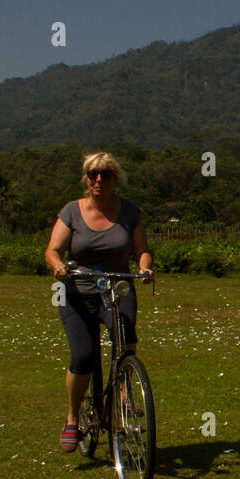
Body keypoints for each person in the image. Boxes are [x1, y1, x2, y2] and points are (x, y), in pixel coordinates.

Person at [45, 153, 153, 451]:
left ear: (114, 177)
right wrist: (57, 265)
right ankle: (72, 418)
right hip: (78, 290)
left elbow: (141, 250)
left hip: (116, 287)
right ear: (86, 178)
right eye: (93, 174)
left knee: (126, 341)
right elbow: (53, 249)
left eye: (105, 174)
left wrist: (145, 268)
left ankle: (124, 398)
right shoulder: (71, 211)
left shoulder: (130, 212)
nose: (98, 179)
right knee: (83, 356)